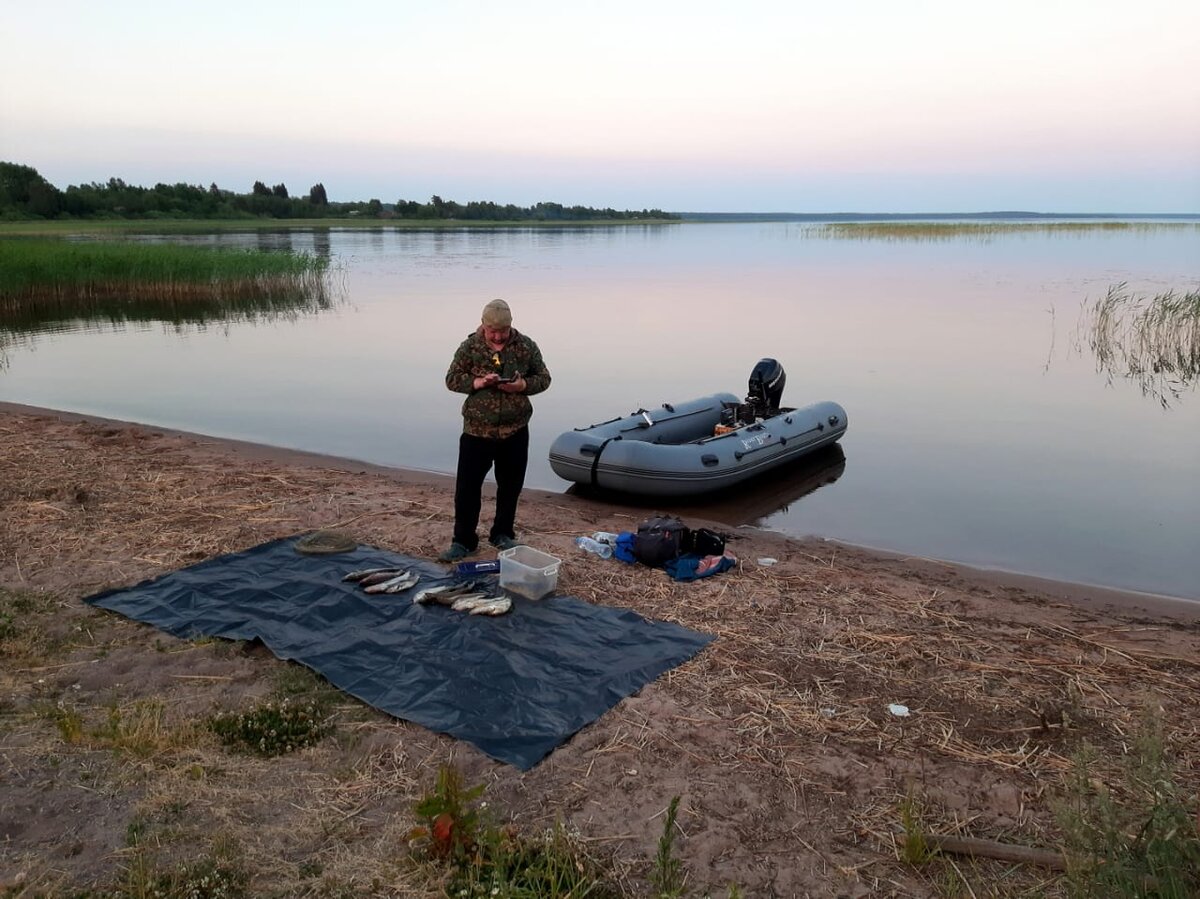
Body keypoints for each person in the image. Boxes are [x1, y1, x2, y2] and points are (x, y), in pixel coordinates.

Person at [438, 299, 551, 562]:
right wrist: (477, 382)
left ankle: (502, 533)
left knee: (510, 486)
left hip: (515, 430)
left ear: (511, 326)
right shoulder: (470, 346)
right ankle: (463, 540)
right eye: (492, 331)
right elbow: (451, 379)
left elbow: (544, 378)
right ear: (483, 325)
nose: (498, 336)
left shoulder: (525, 346)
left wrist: (522, 385)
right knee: (467, 488)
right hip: (477, 431)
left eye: (502, 331)